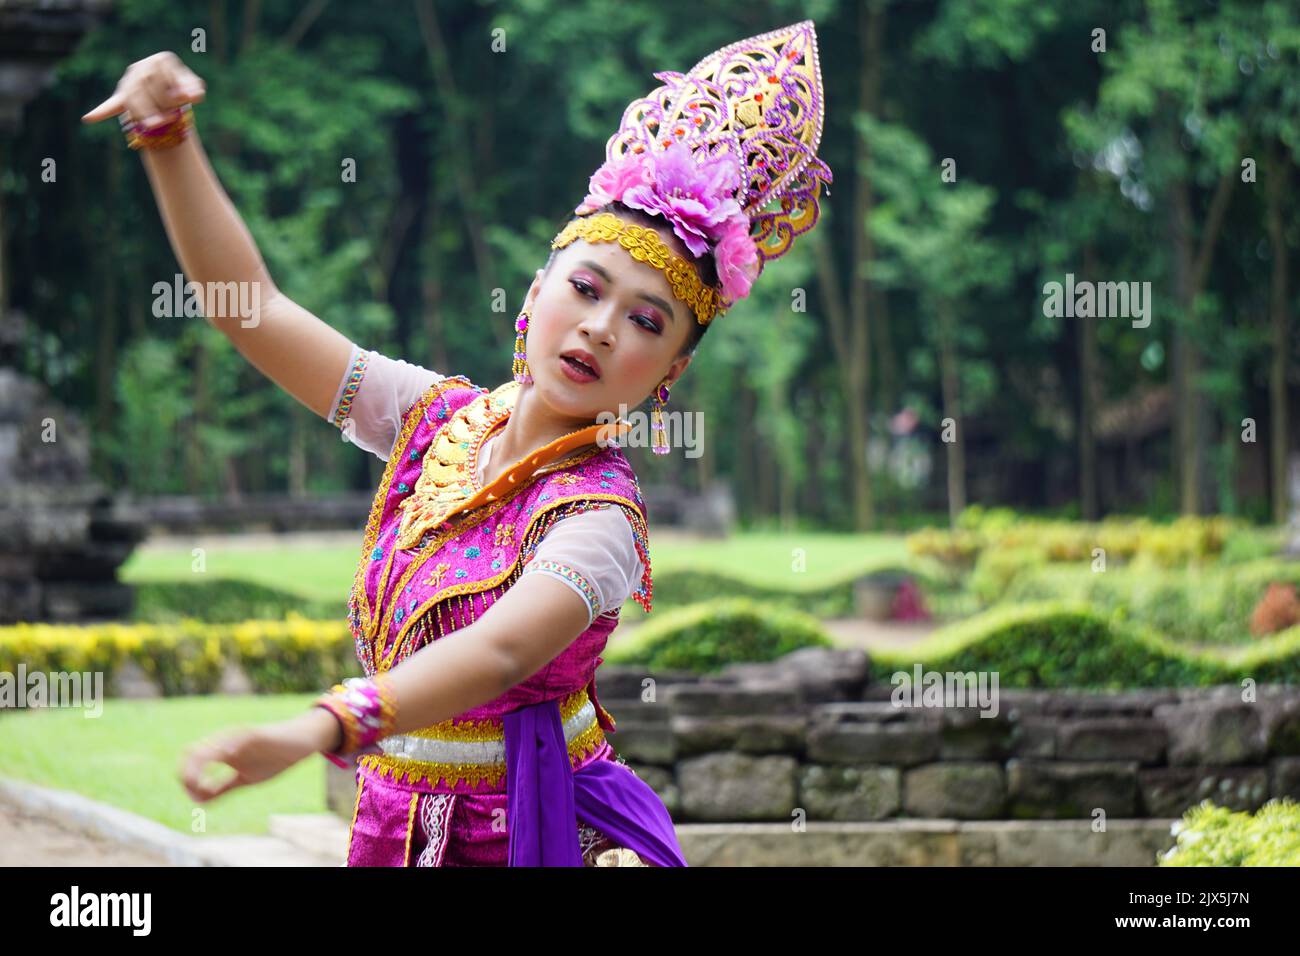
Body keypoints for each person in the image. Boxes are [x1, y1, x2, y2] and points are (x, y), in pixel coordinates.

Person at [82, 19, 831, 867]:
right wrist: (168, 139)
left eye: (645, 321)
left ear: (671, 369)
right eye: (585, 287)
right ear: (538, 286)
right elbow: (252, 310)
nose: (598, 328)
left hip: (536, 834)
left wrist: (316, 727)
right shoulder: (432, 417)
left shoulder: (599, 517)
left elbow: (501, 649)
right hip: (394, 826)